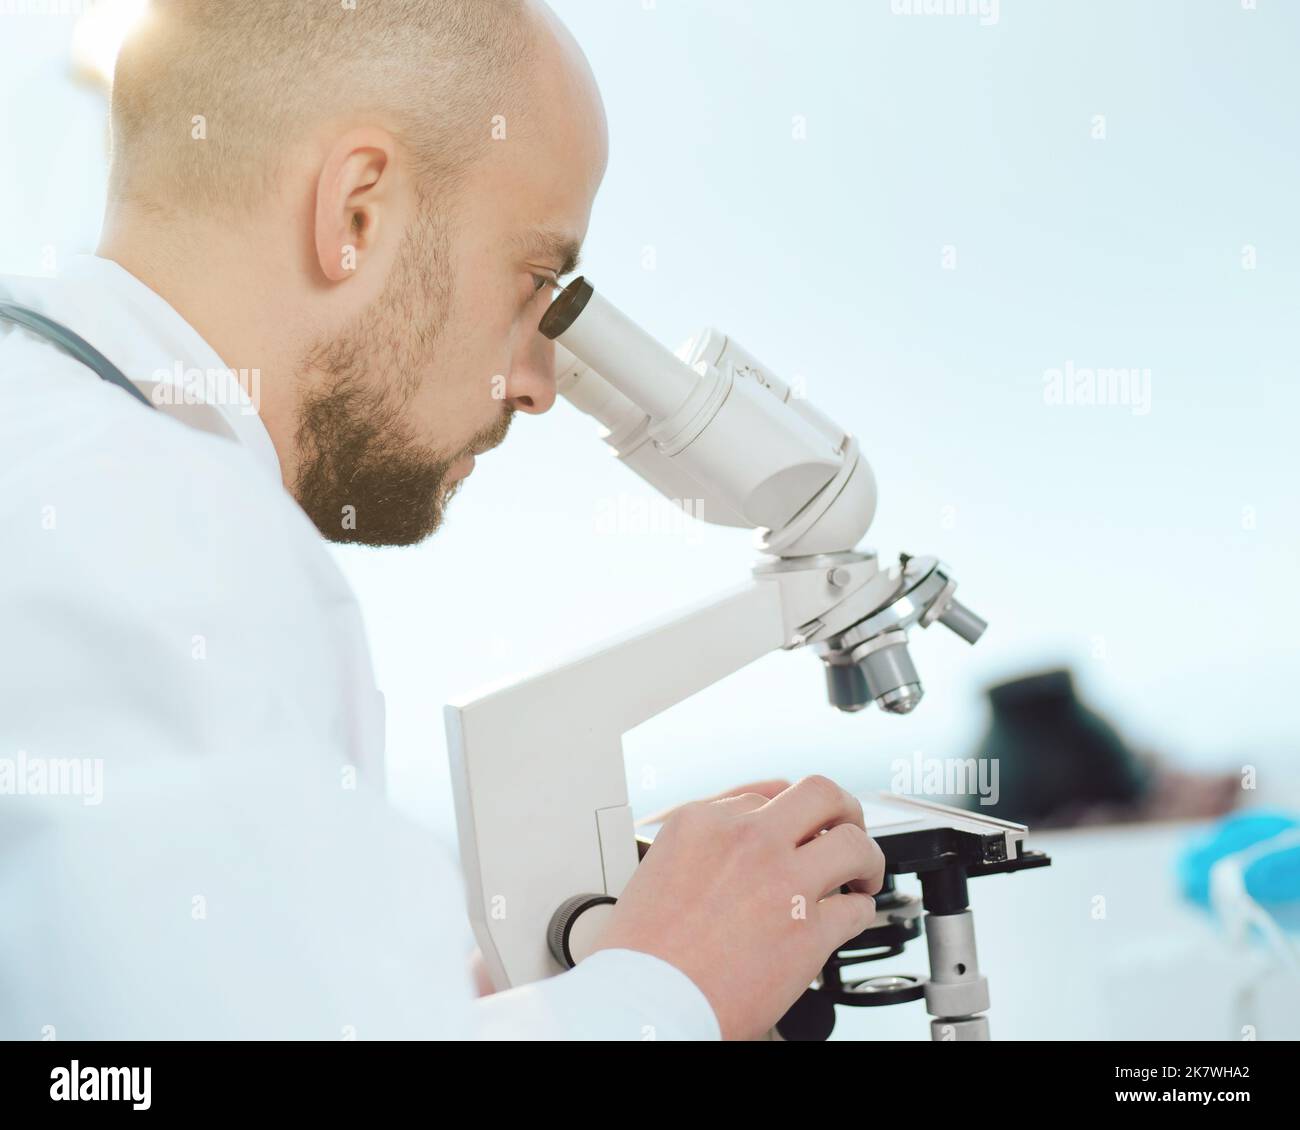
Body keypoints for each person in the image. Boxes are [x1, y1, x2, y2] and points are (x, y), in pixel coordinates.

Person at [0, 0, 883, 1041]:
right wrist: (672, 986)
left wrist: (463, 995)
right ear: (356, 213)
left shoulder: (66, 449)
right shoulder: (163, 525)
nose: (541, 380)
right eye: (536, 280)